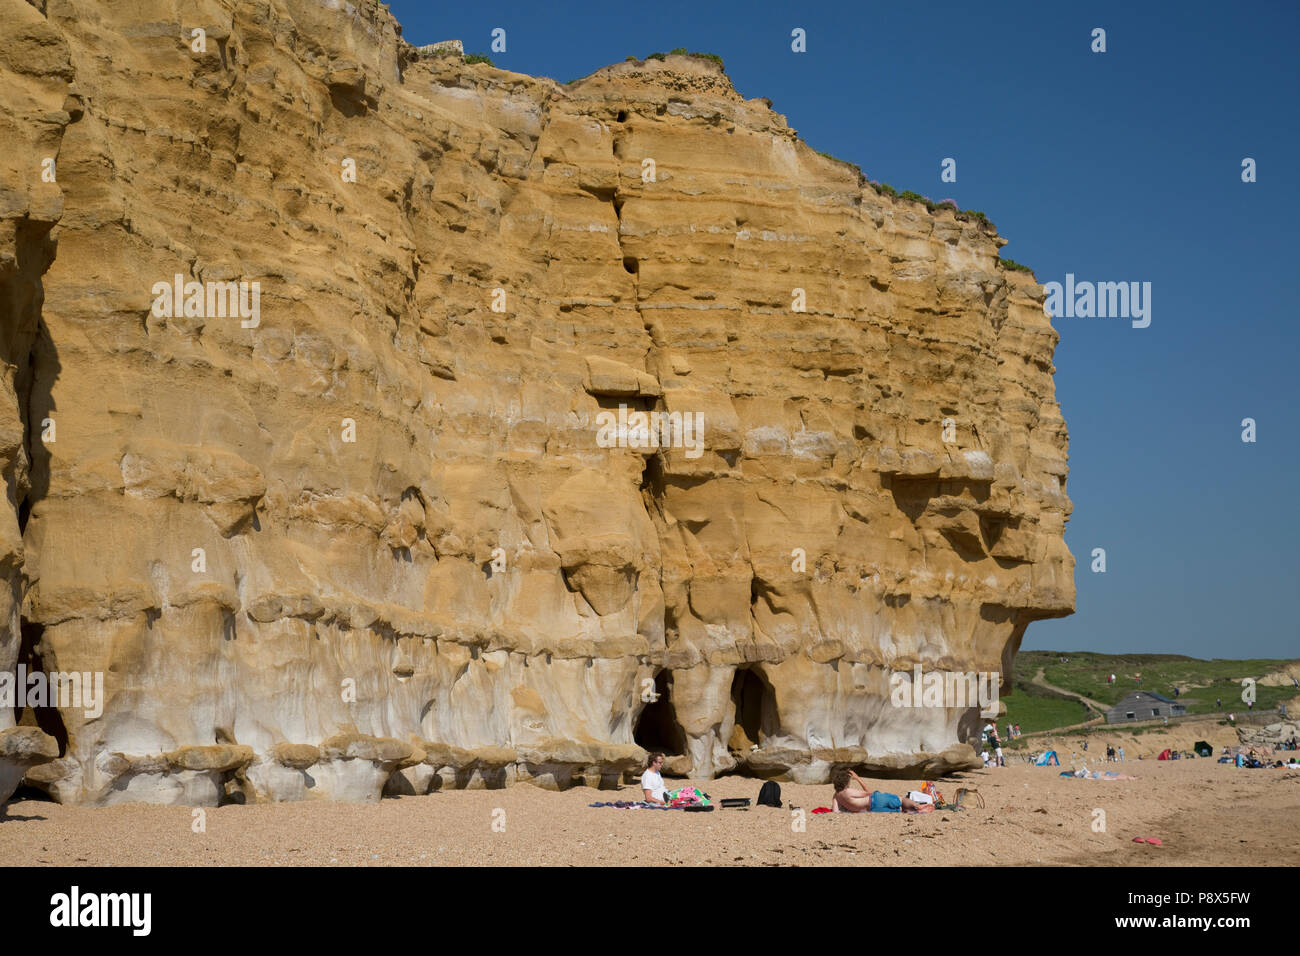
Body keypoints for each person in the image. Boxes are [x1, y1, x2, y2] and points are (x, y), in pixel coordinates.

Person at [831, 769, 926, 813]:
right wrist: (858, 779)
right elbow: (869, 793)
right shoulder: (848, 791)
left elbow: (835, 811)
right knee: (900, 800)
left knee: (900, 810)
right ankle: (917, 806)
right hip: (875, 800)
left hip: (873, 809)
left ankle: (916, 809)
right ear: (846, 782)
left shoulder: (836, 796)